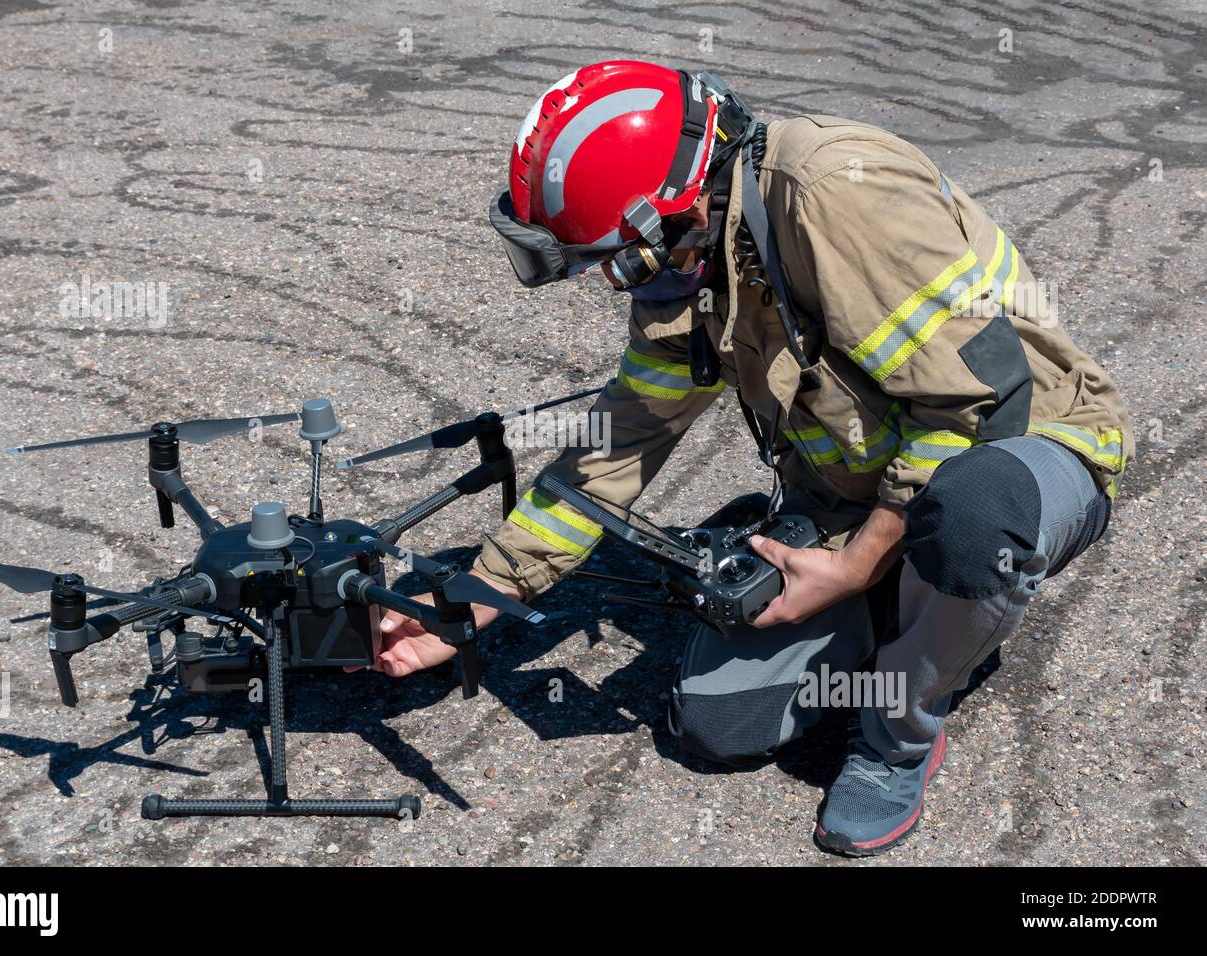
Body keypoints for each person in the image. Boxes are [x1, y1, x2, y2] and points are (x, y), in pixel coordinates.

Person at [369, 60, 1134, 856]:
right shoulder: (686, 261)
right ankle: (916, 603)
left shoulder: (837, 192)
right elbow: (620, 445)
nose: (610, 280)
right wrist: (466, 602)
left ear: (679, 207)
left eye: (617, 260)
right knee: (718, 723)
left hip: (1020, 447)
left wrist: (856, 565)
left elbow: (973, 402)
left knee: (974, 524)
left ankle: (902, 725)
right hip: (860, 489)